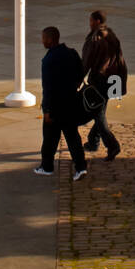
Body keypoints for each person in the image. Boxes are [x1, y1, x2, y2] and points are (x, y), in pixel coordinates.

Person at [36, 27, 87, 181]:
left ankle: (47, 167)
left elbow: (48, 87)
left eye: (44, 38)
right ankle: (81, 167)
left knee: (50, 139)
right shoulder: (71, 53)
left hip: (55, 107)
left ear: (50, 39)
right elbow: (80, 73)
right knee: (73, 138)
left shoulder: (48, 60)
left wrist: (47, 110)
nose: (42, 41)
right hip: (71, 103)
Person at [80, 10, 125, 161]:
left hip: (101, 80)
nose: (90, 23)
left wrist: (79, 79)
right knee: (100, 110)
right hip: (114, 79)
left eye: (91, 20)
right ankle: (93, 141)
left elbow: (86, 61)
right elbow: (120, 59)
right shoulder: (111, 35)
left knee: (98, 114)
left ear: (98, 21)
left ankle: (112, 145)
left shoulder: (95, 38)